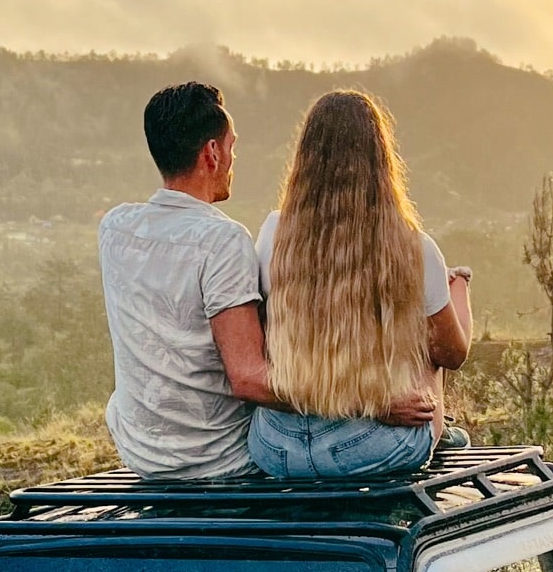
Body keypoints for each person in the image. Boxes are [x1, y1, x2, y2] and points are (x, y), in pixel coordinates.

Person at [248, 89, 473, 478]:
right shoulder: (415, 248)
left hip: (275, 446)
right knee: (427, 350)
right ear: (381, 161)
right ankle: (439, 428)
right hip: (370, 445)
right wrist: (458, 291)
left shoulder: (271, 235)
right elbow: (452, 354)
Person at [97, 82, 272, 478]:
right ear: (211, 153)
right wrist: (361, 399)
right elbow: (248, 379)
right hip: (219, 463)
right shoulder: (223, 240)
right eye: (232, 147)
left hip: (141, 456)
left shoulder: (115, 228)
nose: (232, 159)